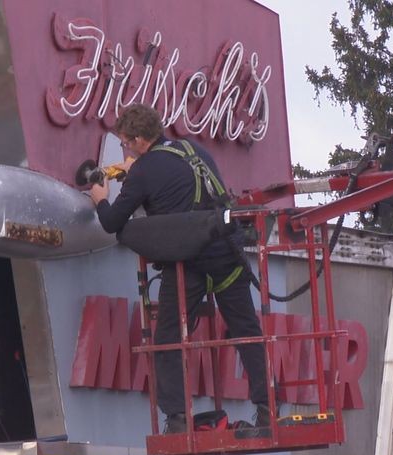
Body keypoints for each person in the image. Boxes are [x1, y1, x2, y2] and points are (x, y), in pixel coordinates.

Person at [88, 103, 271, 436]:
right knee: (246, 329)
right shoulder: (192, 148)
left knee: (168, 338)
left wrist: (101, 196)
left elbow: (112, 222)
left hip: (189, 262)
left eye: (126, 143)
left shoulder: (142, 172)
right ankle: (267, 409)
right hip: (227, 252)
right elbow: (181, 187)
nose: (125, 149)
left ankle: (175, 418)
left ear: (140, 140)